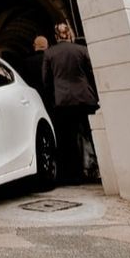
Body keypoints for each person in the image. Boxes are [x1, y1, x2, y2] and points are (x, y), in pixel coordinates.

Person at [42, 22, 99, 184]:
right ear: (69, 34)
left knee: (69, 137)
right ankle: (95, 168)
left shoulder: (49, 54)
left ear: (56, 36)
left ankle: (75, 174)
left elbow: (46, 81)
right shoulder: (82, 50)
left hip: (63, 101)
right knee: (88, 133)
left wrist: (53, 99)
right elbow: (91, 73)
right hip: (85, 98)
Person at [14, 36, 48, 105]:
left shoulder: (27, 62)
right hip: (51, 97)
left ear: (34, 46)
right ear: (47, 46)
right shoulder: (52, 60)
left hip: (35, 97)